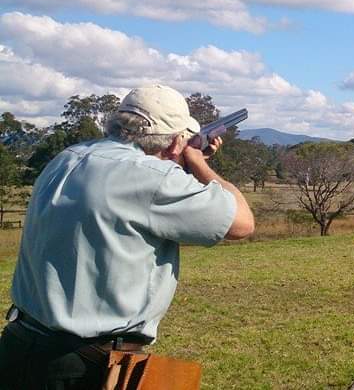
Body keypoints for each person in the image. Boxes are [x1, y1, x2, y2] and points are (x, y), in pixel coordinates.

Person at [0, 84, 255, 389]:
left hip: (17, 347)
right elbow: (242, 223)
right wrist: (198, 163)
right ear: (176, 143)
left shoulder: (67, 157)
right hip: (85, 368)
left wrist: (178, 163)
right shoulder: (154, 179)